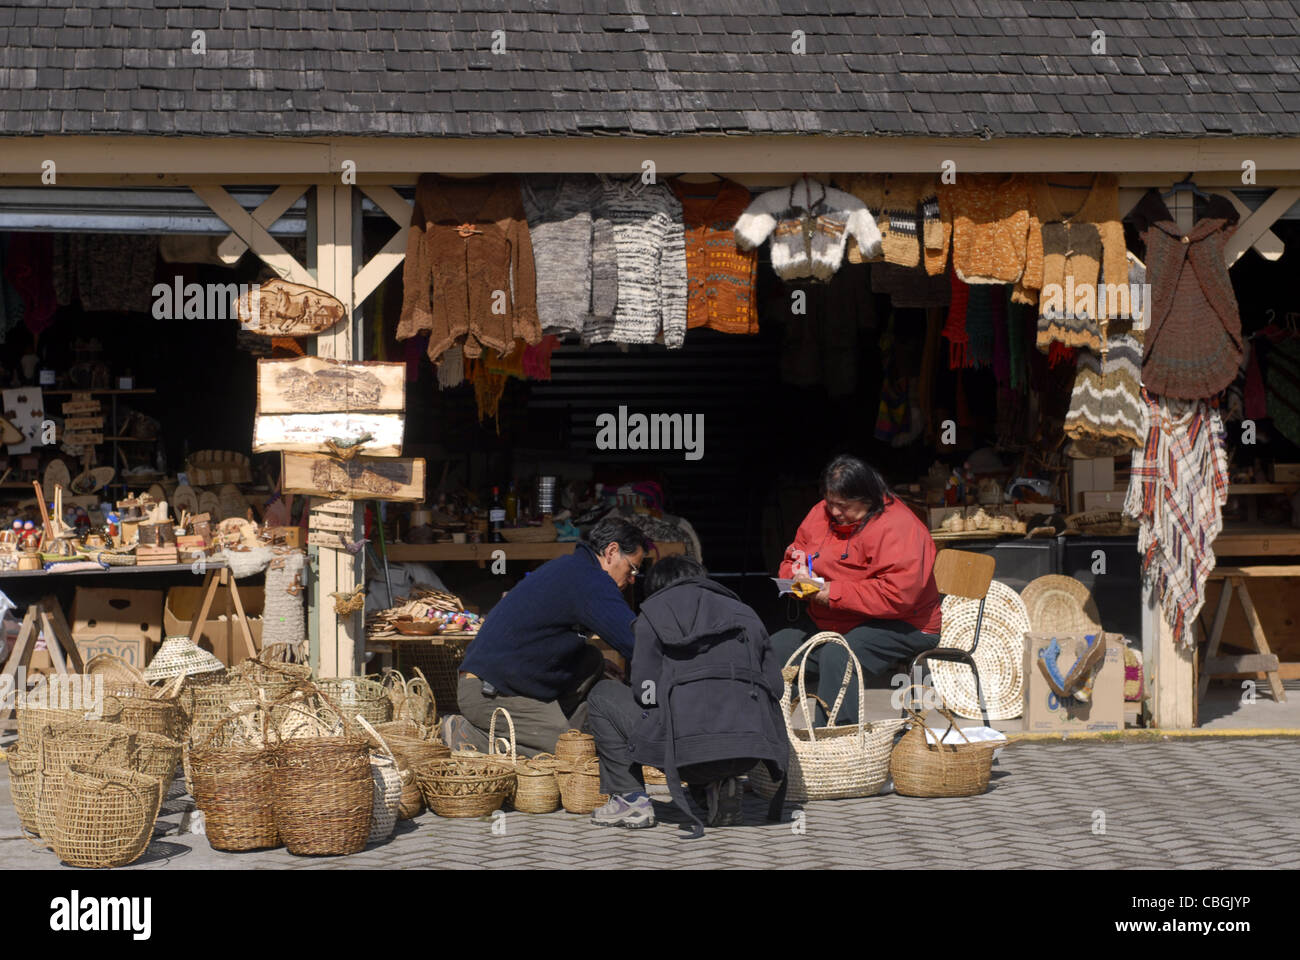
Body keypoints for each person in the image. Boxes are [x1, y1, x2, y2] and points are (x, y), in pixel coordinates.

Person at [585, 554, 789, 835]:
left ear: (657, 587)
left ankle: (628, 798)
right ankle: (717, 784)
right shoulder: (745, 612)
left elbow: (646, 693)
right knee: (704, 712)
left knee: (602, 693)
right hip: (746, 753)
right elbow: (774, 688)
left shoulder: (653, 613)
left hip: (685, 754)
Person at [440, 516, 649, 756]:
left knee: (591, 659)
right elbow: (638, 641)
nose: (632, 580)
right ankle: (467, 735)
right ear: (612, 551)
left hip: (514, 681)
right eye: (632, 569)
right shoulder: (590, 581)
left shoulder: (572, 567)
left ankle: (562, 728)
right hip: (490, 693)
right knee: (567, 755)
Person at [770, 454, 942, 725]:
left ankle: (835, 745)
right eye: (831, 503)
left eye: (843, 505)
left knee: (838, 653)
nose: (835, 512)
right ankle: (772, 739)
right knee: (775, 649)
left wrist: (830, 592)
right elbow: (794, 555)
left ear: (868, 497)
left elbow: (898, 595)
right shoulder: (821, 513)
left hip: (904, 622)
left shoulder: (899, 525)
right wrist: (796, 576)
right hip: (836, 620)